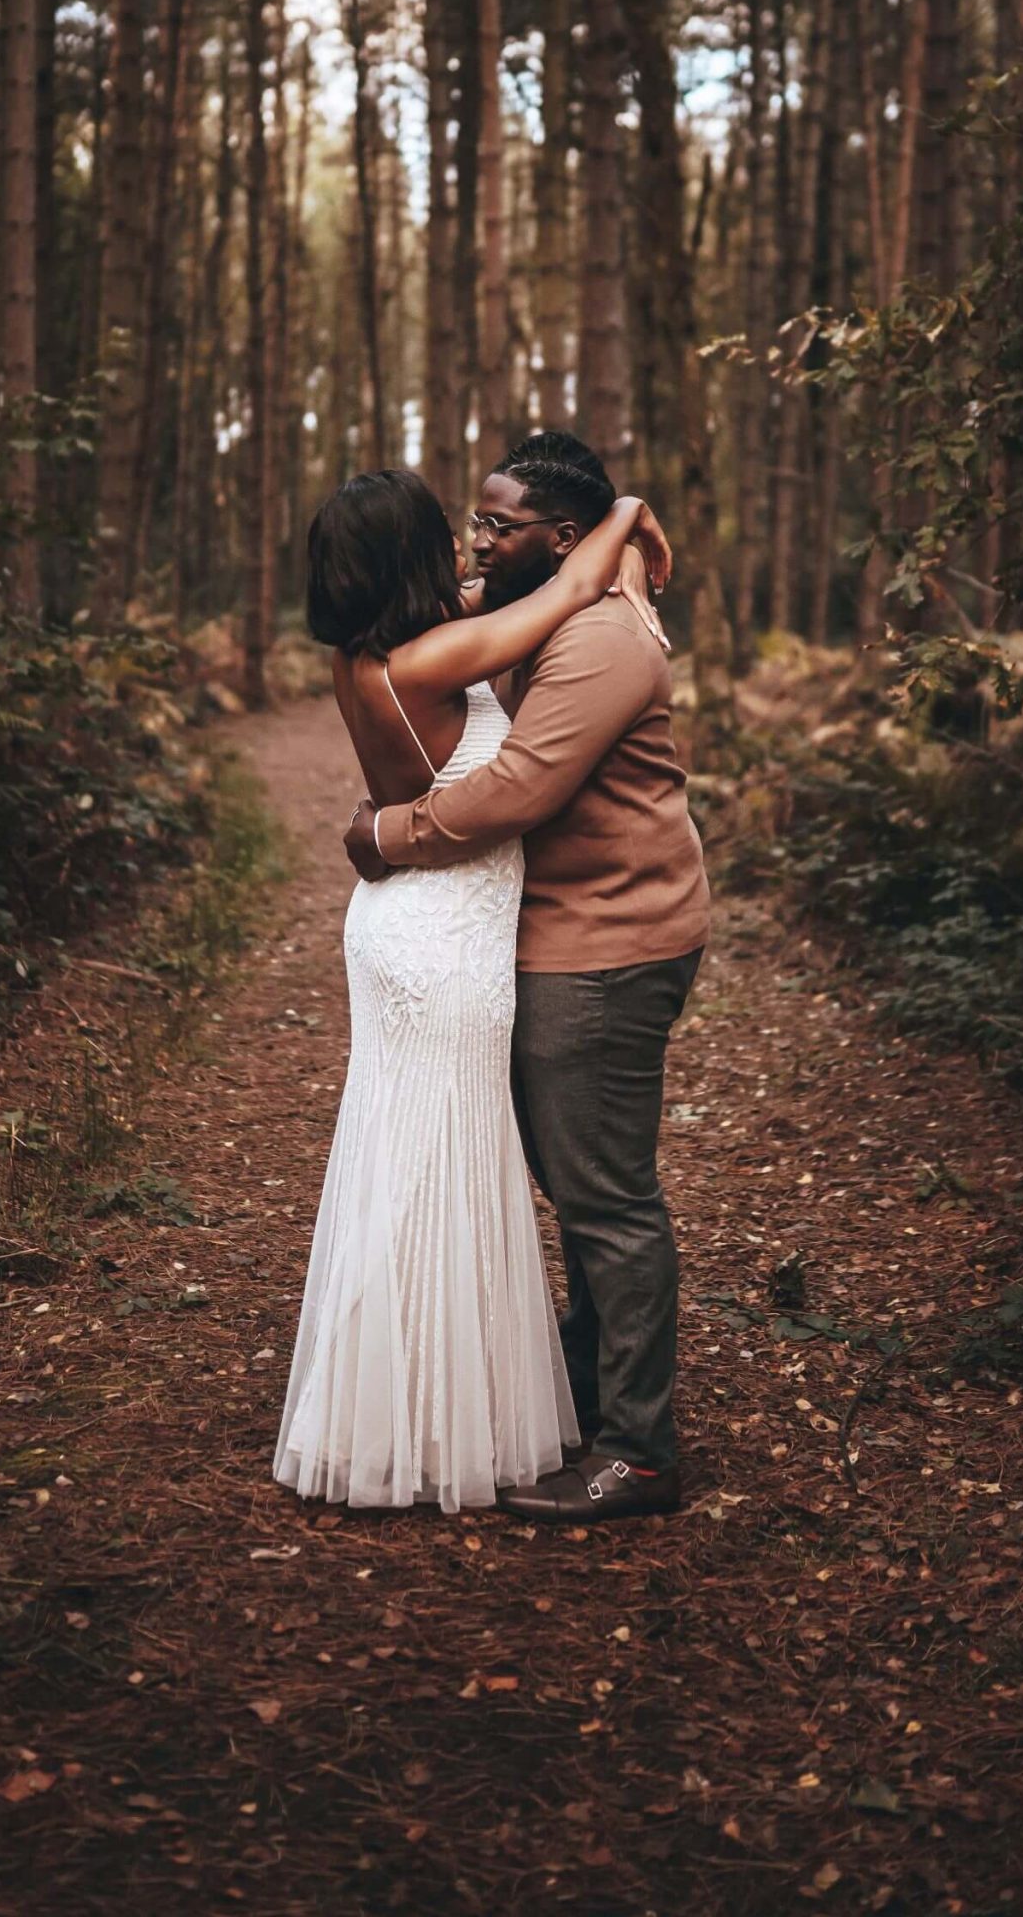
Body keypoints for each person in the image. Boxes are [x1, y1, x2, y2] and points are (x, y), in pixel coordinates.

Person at [273, 464, 670, 1513]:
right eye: (449, 532)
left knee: (408, 1161)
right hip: (442, 933)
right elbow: (568, 592)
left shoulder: (369, 653)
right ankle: (432, 1420)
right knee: (442, 1165)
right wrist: (628, 513)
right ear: (407, 557)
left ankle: (401, 1405)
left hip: (406, 923)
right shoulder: (436, 654)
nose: (469, 545)